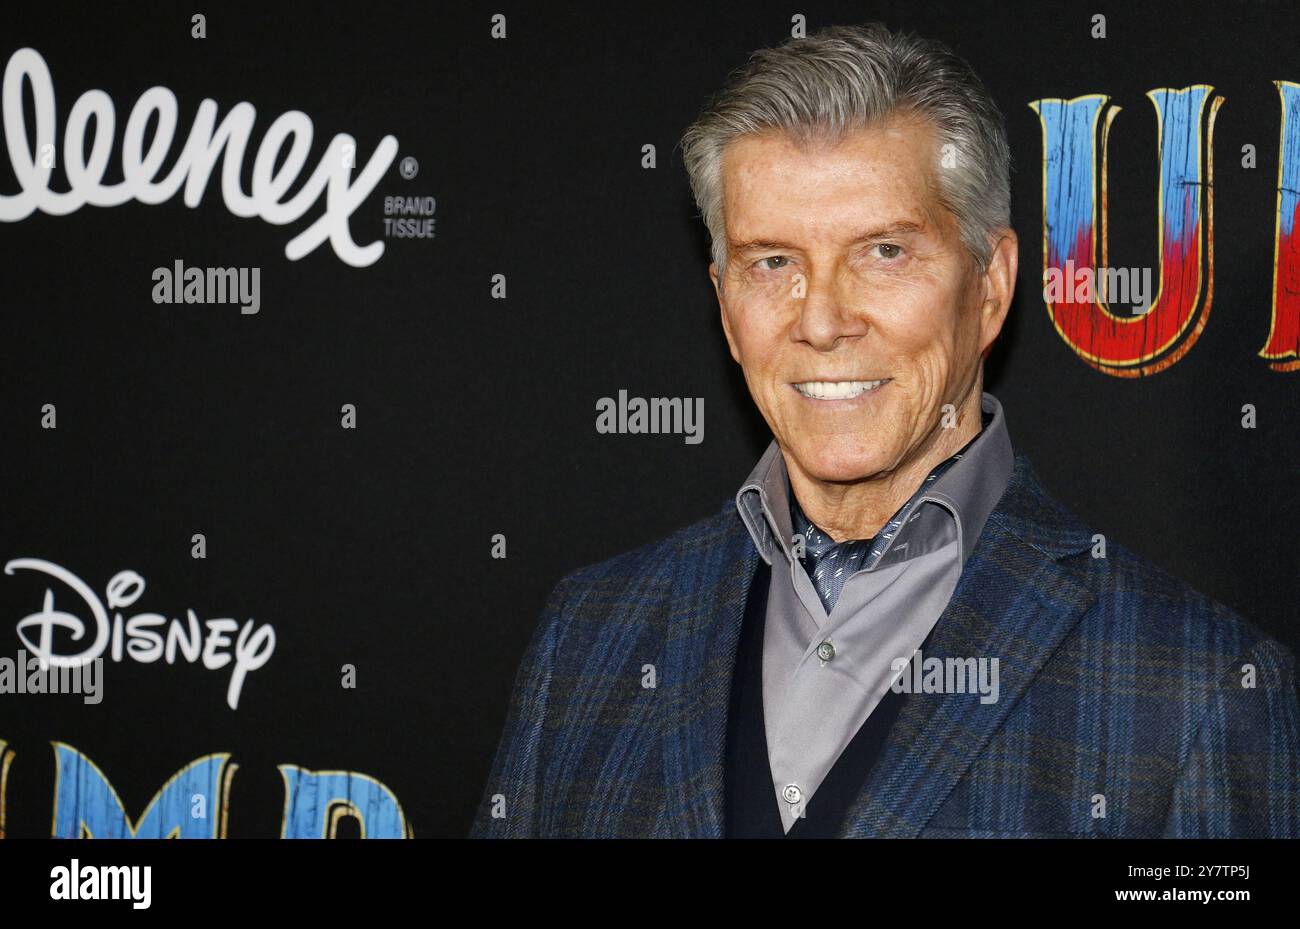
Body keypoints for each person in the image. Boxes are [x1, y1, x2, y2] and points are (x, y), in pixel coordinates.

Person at [470, 22, 1300, 838]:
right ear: (724, 304)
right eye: (773, 263)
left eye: (884, 253)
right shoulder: (588, 636)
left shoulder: (1195, 690)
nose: (823, 321)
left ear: (992, 286)